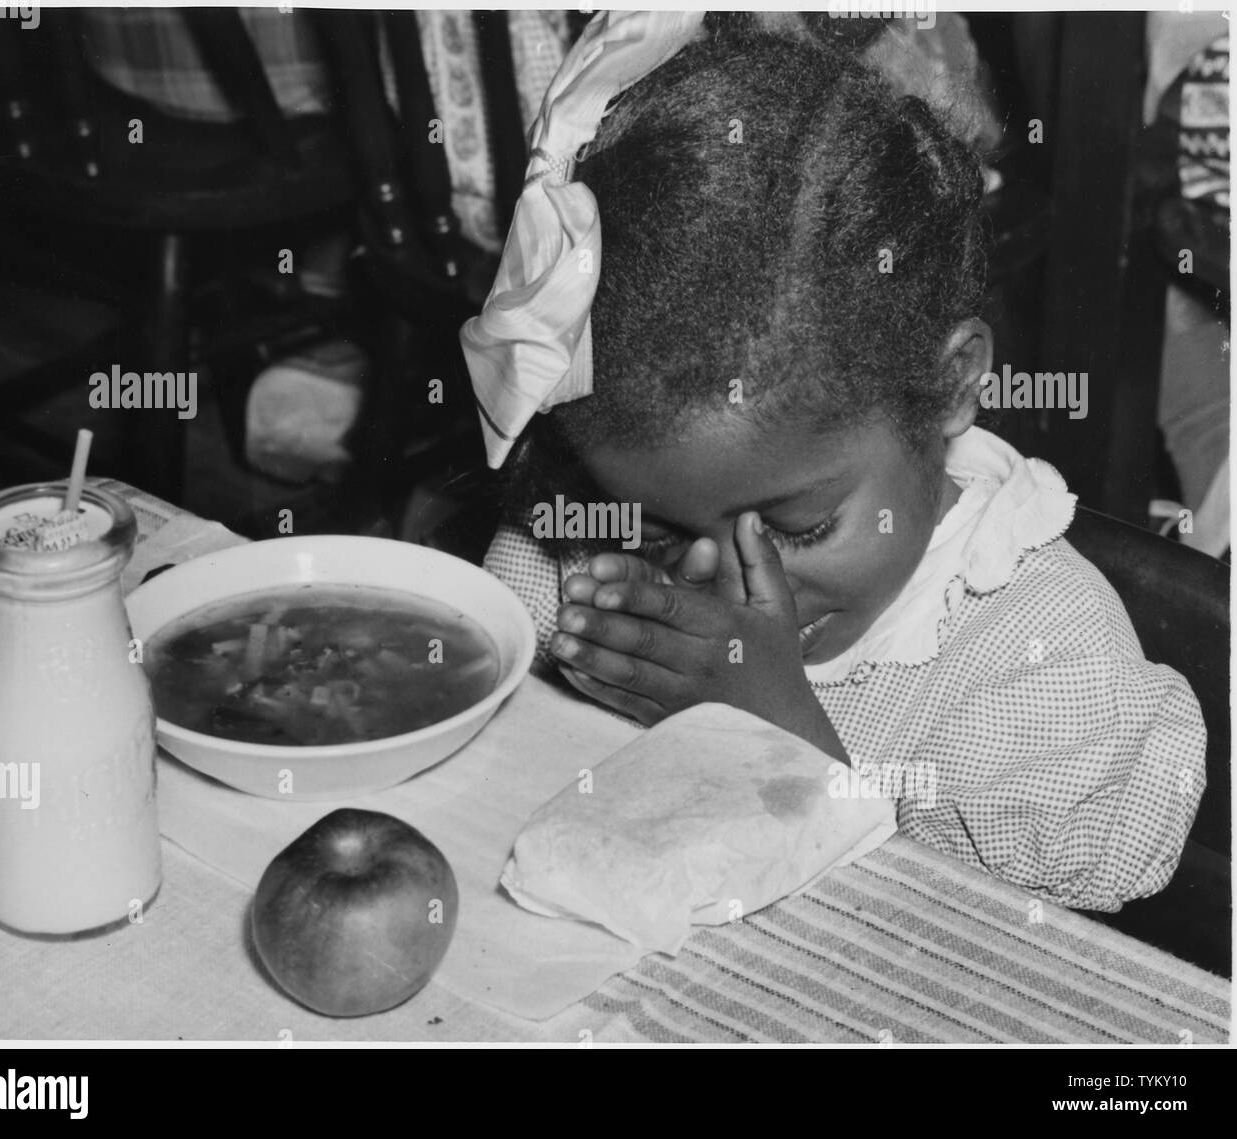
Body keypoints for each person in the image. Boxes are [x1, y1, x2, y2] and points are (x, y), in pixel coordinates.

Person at [461, 13, 1206, 914]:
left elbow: (1009, 962)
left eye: (797, 527)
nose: (722, 577)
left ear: (953, 383)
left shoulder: (1040, 666)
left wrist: (788, 740)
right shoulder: (580, 558)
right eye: (659, 530)